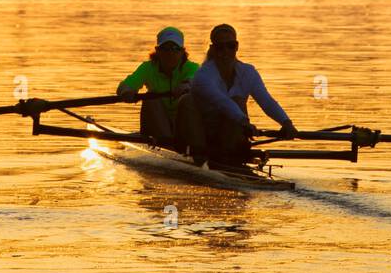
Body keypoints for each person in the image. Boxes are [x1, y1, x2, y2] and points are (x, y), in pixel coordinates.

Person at [188, 23, 297, 168]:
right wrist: (243, 122)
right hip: (205, 134)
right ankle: (212, 158)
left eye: (230, 46)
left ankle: (233, 158)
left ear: (237, 46)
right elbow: (222, 102)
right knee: (191, 101)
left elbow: (267, 102)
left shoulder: (248, 72)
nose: (226, 51)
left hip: (233, 134)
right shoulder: (204, 75)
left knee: (237, 103)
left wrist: (286, 123)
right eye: (220, 47)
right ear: (213, 49)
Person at [117, 27, 199, 147]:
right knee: (151, 99)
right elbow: (124, 86)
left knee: (188, 100)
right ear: (157, 51)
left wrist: (185, 85)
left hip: (183, 126)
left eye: (175, 49)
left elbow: (195, 80)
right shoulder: (148, 68)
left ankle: (176, 144)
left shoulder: (192, 68)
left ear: (182, 51)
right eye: (165, 49)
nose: (170, 53)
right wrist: (127, 92)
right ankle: (168, 144)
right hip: (158, 124)